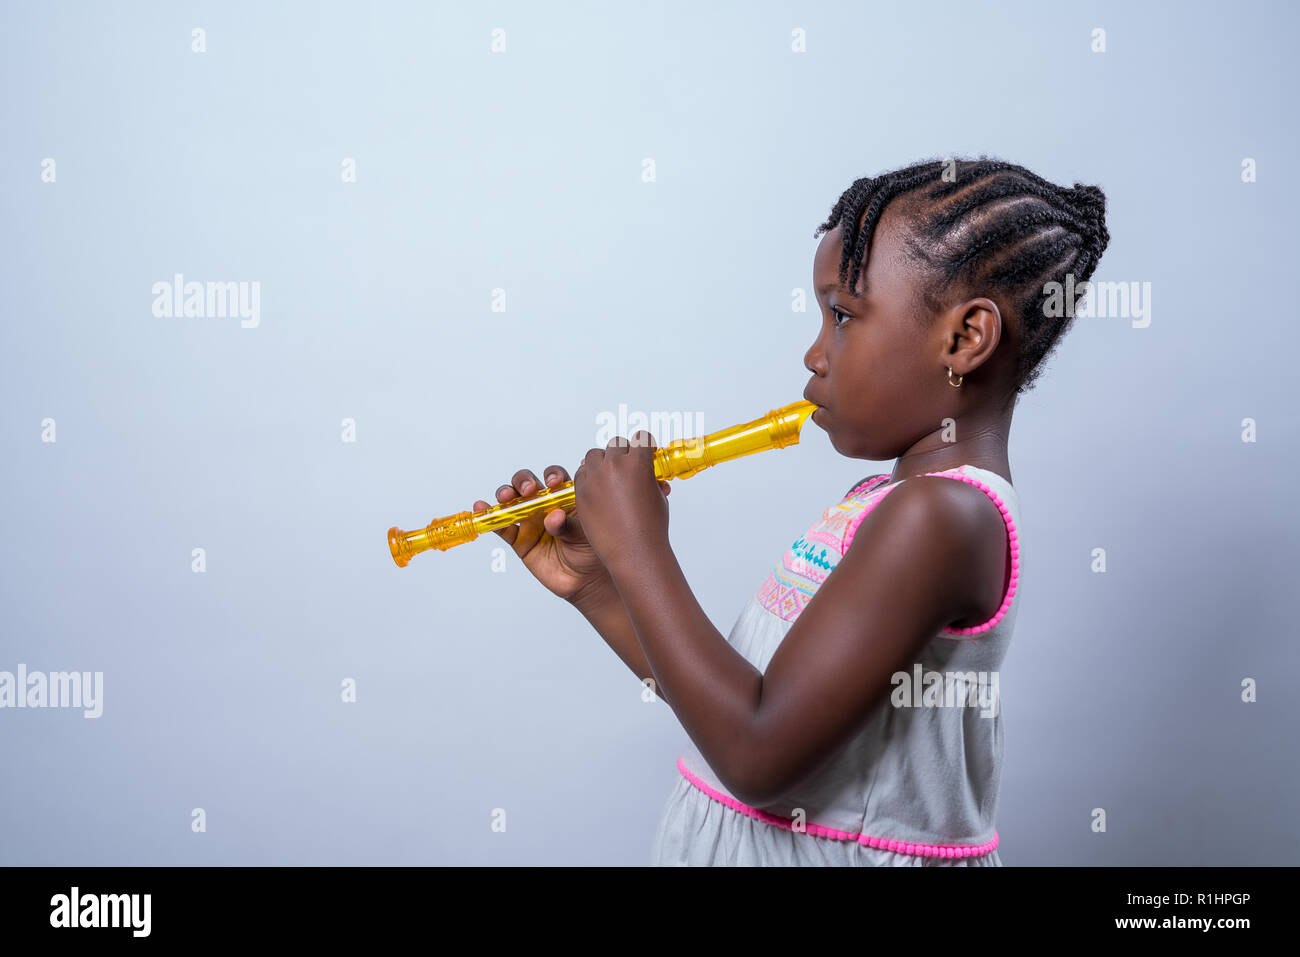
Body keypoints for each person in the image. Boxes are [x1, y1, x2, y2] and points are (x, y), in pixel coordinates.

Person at [472, 156, 1110, 865]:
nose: (815, 354)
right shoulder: (890, 506)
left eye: (842, 316)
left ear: (964, 340)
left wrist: (641, 550)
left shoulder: (943, 517)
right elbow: (733, 707)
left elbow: (758, 753)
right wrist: (599, 586)